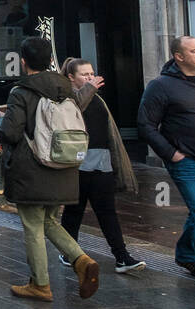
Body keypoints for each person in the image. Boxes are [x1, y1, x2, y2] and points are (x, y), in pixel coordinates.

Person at [0, 36, 100, 302]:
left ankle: (40, 284)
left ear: (23, 62)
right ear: (51, 61)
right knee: (49, 220)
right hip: (64, 166)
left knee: (33, 225)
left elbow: (10, 132)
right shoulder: (66, 87)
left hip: (31, 170)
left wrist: (2, 121)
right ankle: (81, 260)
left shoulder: (21, 91)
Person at [138, 35, 195, 297]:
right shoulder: (161, 86)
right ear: (178, 57)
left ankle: (184, 252)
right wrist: (170, 153)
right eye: (194, 51)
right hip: (189, 163)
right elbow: (145, 125)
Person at [57, 58, 143, 273]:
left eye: (91, 73)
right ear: (71, 77)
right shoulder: (66, 97)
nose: (90, 78)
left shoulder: (98, 99)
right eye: (84, 74)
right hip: (77, 163)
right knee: (74, 210)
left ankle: (122, 257)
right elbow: (74, 110)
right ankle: (69, 252)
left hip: (101, 162)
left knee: (106, 211)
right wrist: (89, 89)